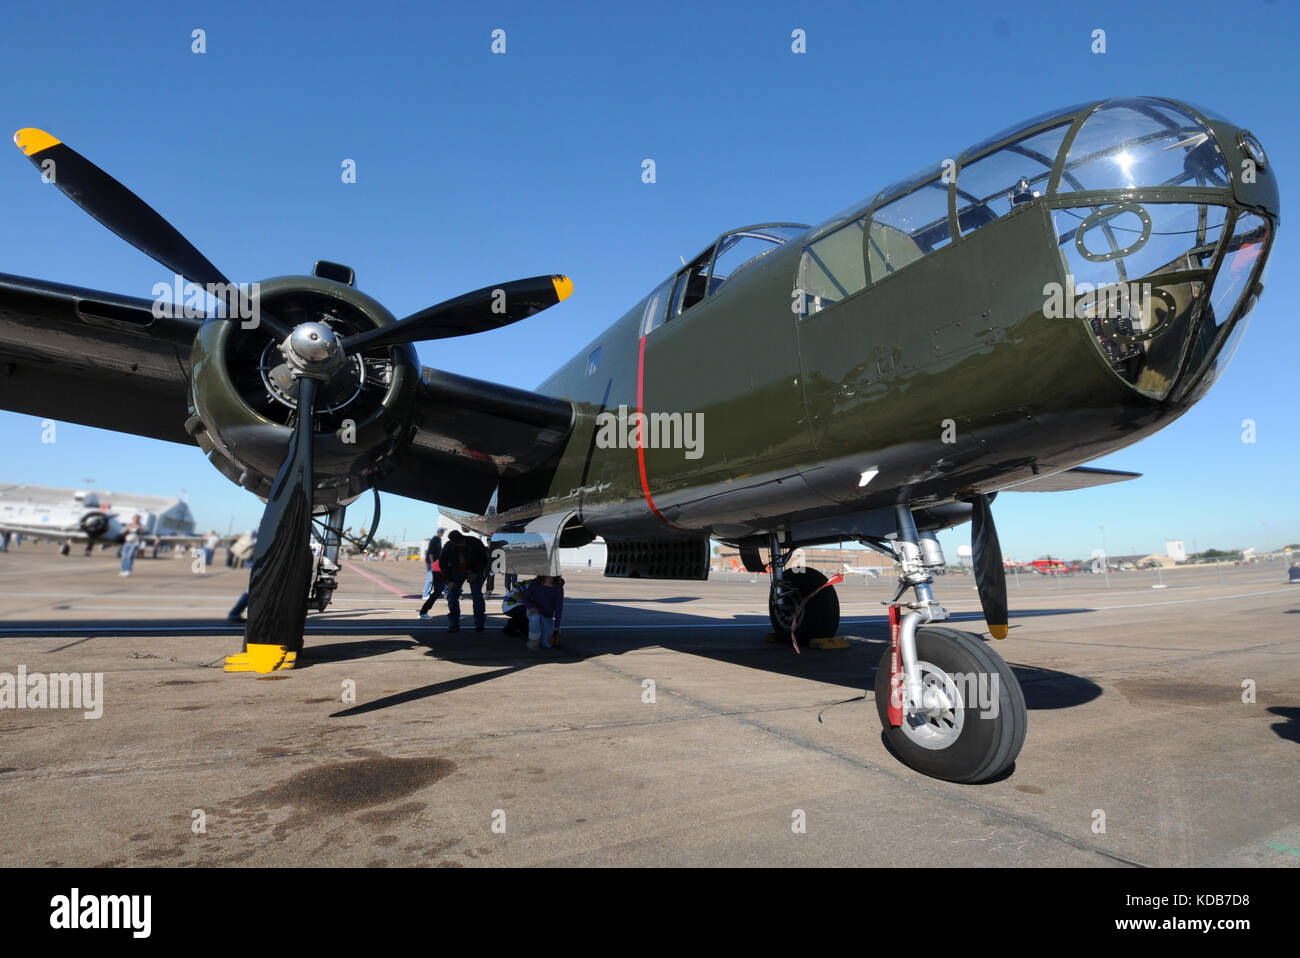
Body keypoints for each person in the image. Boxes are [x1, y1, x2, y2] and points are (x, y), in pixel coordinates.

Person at [420, 529, 462, 620]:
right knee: (439, 592)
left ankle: (455, 613)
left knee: (451, 593)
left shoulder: (454, 545)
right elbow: (446, 563)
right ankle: (423, 612)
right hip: (440, 570)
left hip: (442, 569)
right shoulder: (451, 546)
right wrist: (450, 579)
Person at [457, 535, 490, 632]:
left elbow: (483, 560)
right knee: (455, 594)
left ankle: (479, 622)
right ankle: (454, 623)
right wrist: (449, 579)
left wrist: (475, 573)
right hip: (464, 569)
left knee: (476, 595)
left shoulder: (475, 544)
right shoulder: (451, 546)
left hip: (476, 570)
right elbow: (444, 561)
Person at [523, 574, 564, 650]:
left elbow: (559, 608)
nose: (549, 575)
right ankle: (533, 640)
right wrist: (531, 607)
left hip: (547, 615)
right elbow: (526, 598)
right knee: (535, 618)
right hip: (534, 610)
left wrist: (557, 627)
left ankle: (543, 635)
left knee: (547, 644)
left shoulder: (558, 587)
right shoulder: (535, 583)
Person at [422, 527, 446, 601]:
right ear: (439, 532)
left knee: (436, 577)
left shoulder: (438, 539)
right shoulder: (435, 540)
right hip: (432, 562)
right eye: (441, 531)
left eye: (443, 532)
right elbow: (431, 552)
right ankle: (425, 594)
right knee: (430, 577)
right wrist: (432, 563)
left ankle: (433, 592)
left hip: (436, 562)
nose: (442, 533)